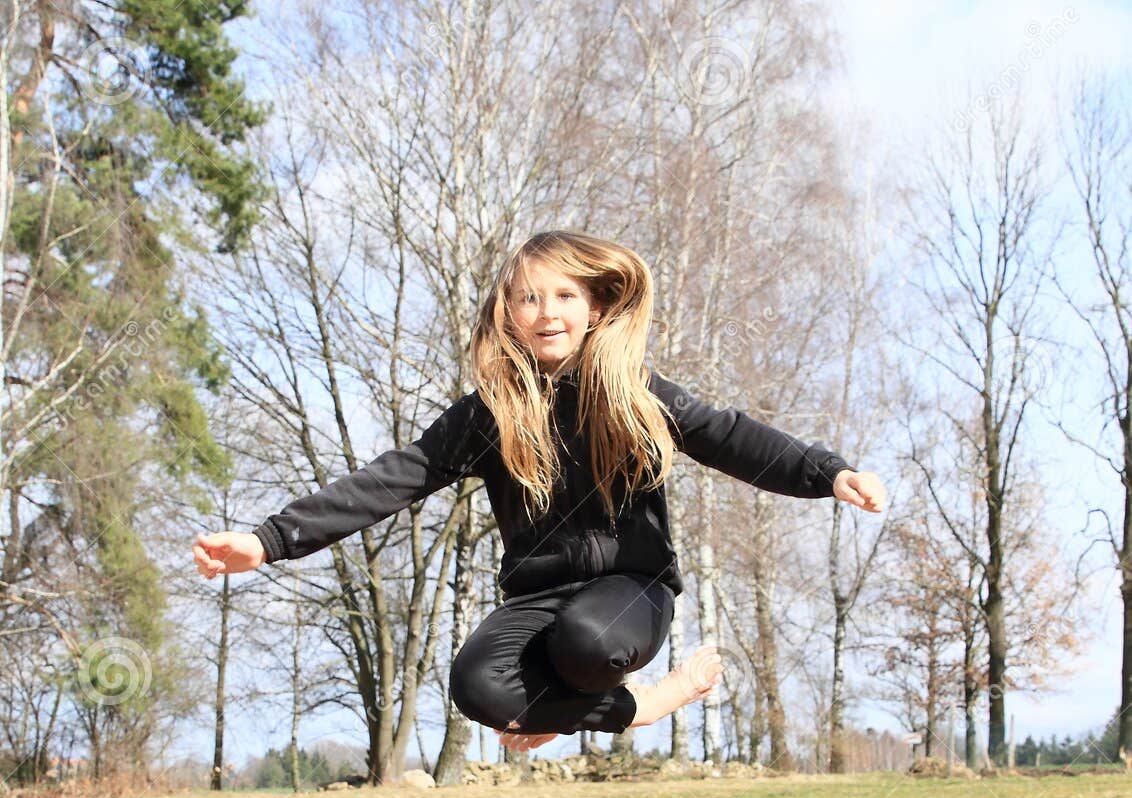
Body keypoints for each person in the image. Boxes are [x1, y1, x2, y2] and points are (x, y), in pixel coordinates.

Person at [193, 230, 886, 752]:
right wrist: (269, 540)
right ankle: (622, 709)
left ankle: (629, 696)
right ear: (508, 314)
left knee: (589, 640)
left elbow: (730, 436)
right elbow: (393, 478)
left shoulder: (634, 395)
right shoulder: (489, 414)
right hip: (538, 597)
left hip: (631, 593)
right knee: (476, 688)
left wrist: (828, 473)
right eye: (528, 298)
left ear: (595, 306)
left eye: (563, 296)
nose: (545, 312)